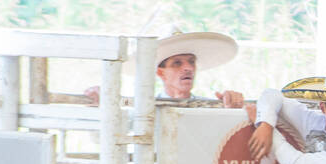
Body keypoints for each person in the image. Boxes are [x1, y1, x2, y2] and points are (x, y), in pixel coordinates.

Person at [85, 30, 244, 107]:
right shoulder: (144, 108)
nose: (188, 68)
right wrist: (99, 105)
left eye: (191, 62)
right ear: (160, 72)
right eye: (177, 63)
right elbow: (104, 138)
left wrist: (233, 106)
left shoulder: (209, 106)